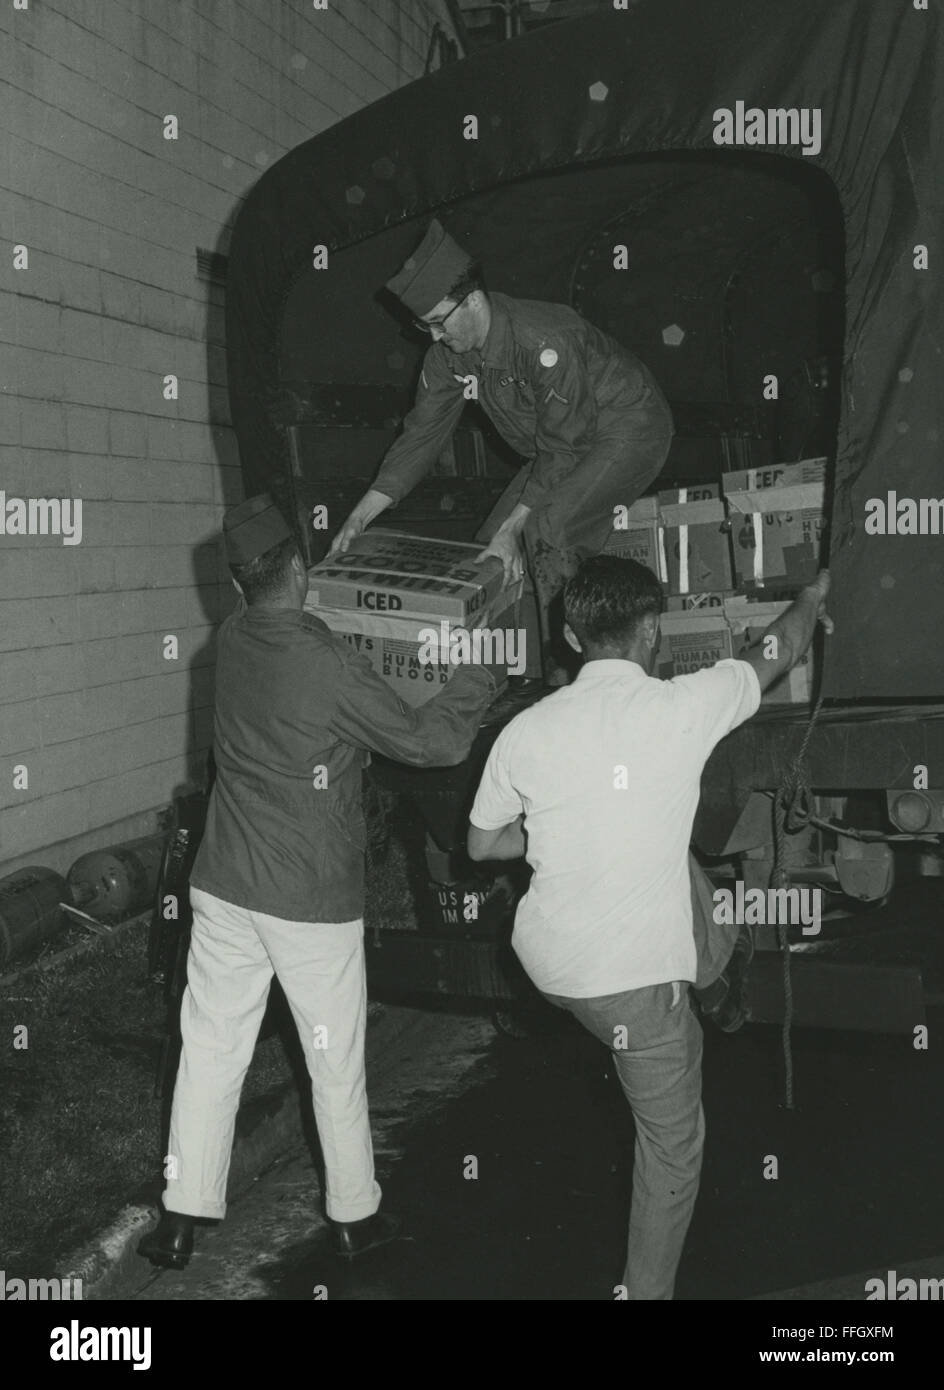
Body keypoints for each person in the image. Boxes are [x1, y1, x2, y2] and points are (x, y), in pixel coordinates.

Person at [139, 493, 500, 1270]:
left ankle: (179, 1217)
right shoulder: (328, 659)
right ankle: (354, 1217)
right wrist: (478, 676)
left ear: (237, 586)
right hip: (307, 896)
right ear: (300, 570)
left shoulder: (227, 645)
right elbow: (428, 742)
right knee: (332, 1057)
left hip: (227, 883)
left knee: (210, 1050)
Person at [466, 556, 833, 1298]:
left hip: (549, 968)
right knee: (672, 1144)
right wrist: (813, 594)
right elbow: (777, 651)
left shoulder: (525, 730)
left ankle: (712, 972)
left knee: (674, 862)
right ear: (652, 631)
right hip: (633, 992)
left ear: (571, 636)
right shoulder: (683, 705)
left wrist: (550, 835)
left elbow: (479, 845)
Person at [330, 219, 674, 683]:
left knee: (548, 528)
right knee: (488, 552)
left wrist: (519, 525)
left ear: (472, 300)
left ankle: (574, 676)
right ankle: (511, 676)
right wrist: (363, 512)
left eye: (437, 322)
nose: (433, 337)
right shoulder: (449, 356)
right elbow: (421, 435)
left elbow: (562, 445)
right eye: (422, 325)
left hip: (627, 426)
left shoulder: (544, 337)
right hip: (559, 446)